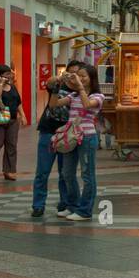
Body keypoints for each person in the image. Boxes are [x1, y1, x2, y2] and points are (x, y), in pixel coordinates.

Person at [59, 63, 104, 221]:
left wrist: (79, 87)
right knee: (67, 173)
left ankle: (85, 210)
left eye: (84, 76)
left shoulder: (97, 96)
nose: (81, 79)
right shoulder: (74, 96)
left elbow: (87, 105)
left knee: (87, 174)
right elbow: (54, 104)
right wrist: (55, 86)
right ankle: (72, 205)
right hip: (71, 137)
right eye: (80, 76)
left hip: (87, 137)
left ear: (92, 79)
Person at [31, 71, 72, 219]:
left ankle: (65, 204)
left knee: (65, 173)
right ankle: (38, 205)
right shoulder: (57, 85)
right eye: (71, 72)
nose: (73, 76)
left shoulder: (80, 91)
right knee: (42, 172)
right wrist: (61, 78)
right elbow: (49, 82)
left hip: (67, 135)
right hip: (48, 132)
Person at [0, 64, 27, 180]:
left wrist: (23, 115)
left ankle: (9, 170)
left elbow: (18, 102)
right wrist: (1, 84)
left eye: (10, 73)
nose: (10, 76)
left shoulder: (13, 87)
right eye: (7, 74)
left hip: (12, 120)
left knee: (11, 144)